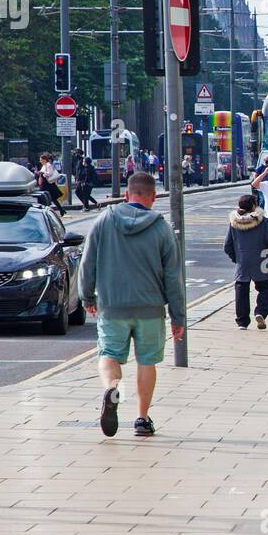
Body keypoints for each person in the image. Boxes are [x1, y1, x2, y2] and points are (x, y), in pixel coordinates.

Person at [78, 171, 186, 438]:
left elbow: (87, 261)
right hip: (150, 309)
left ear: (127, 194)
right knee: (147, 362)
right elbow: (173, 277)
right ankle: (141, 418)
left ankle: (112, 389)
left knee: (109, 355)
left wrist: (87, 297)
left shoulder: (104, 220)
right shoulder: (161, 228)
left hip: (112, 306)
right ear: (153, 198)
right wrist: (178, 317)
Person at [223, 193, 268, 330]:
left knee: (241, 291)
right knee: (266, 288)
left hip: (242, 262)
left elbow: (227, 245)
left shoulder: (234, 222)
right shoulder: (262, 221)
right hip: (262, 260)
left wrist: (236, 258)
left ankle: (242, 322)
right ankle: (261, 313)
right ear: (253, 206)